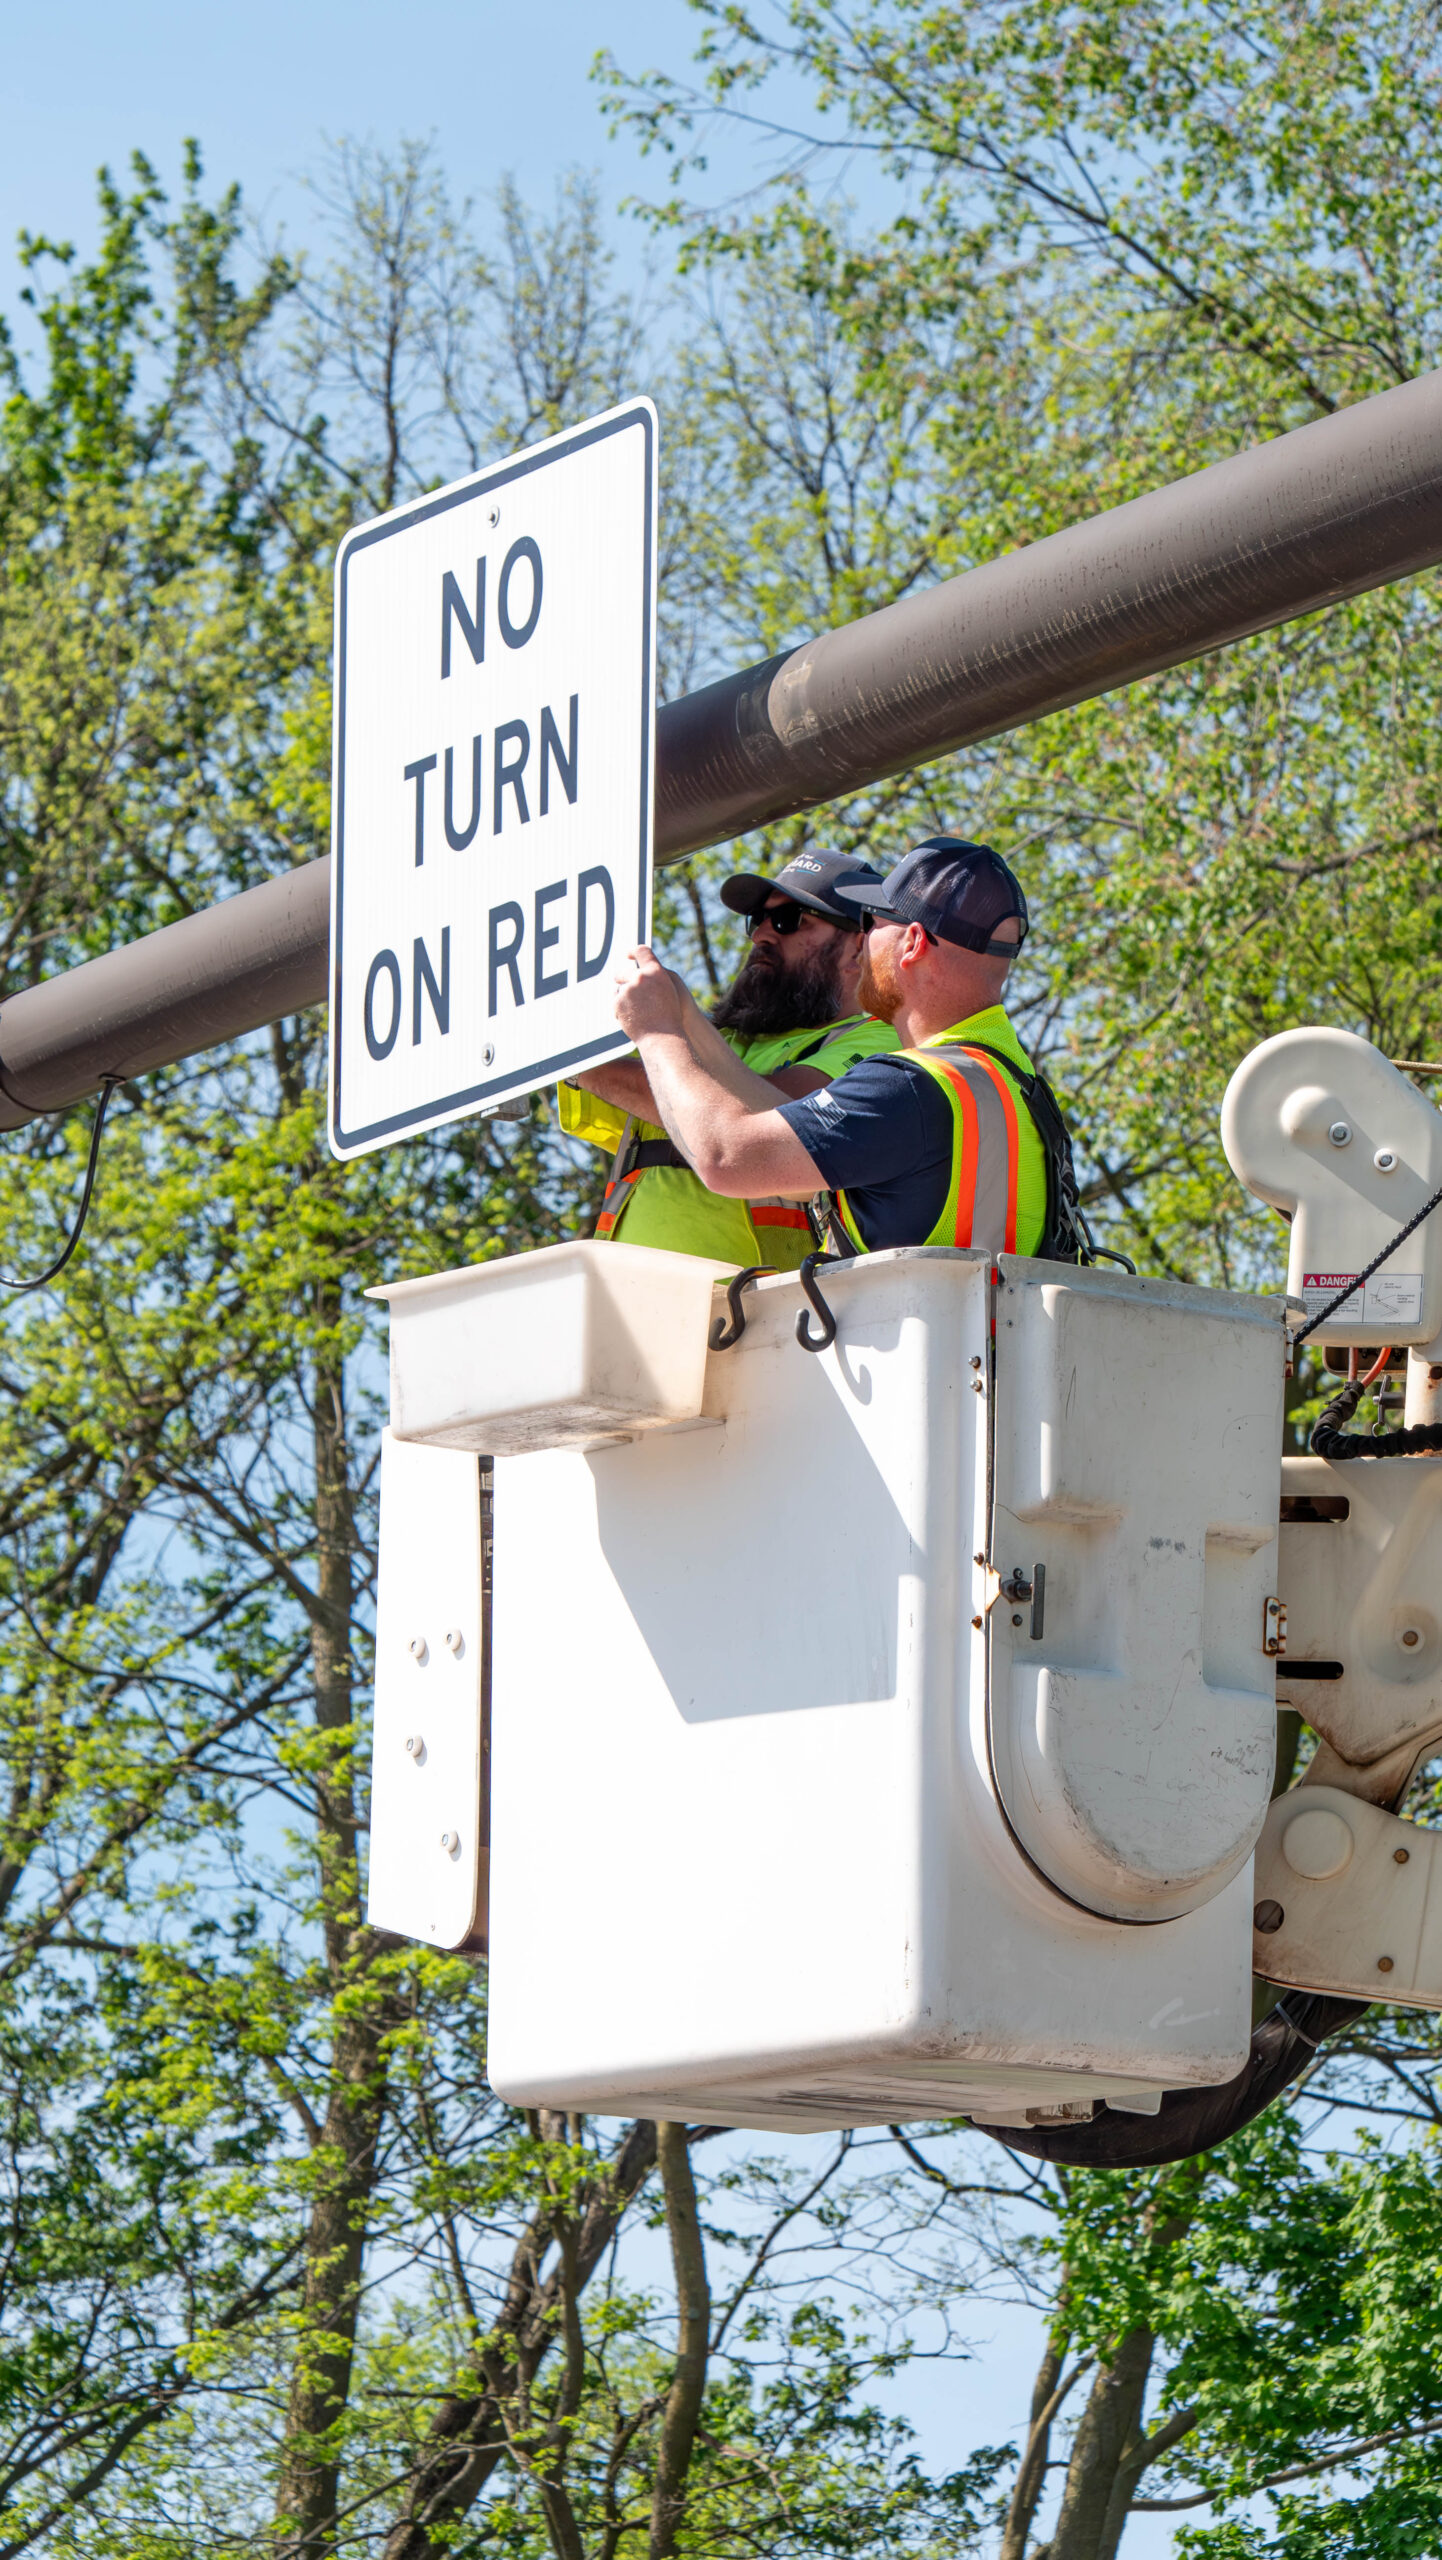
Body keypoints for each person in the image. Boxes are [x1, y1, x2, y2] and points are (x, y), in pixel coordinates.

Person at [610, 837, 1085, 1266]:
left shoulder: (906, 1087)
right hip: (980, 1337)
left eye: (873, 923)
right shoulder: (1020, 1091)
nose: (862, 947)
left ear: (912, 943)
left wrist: (657, 1031)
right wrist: (687, 1016)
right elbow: (784, 1150)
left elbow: (725, 1157)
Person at [558, 850, 901, 1268]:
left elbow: (781, 1128)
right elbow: (627, 1092)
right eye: (757, 920)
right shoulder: (713, 1039)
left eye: (789, 919)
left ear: (858, 946)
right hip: (624, 1293)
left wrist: (604, 1058)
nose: (761, 935)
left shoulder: (880, 1042)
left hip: (752, 1300)